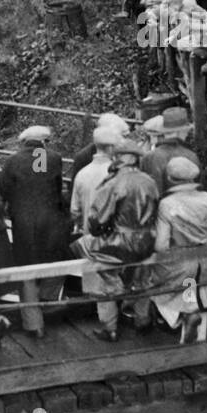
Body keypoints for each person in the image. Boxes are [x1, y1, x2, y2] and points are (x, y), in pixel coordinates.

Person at [73, 138, 160, 342]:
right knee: (142, 277)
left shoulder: (113, 183)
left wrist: (99, 230)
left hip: (121, 241)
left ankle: (110, 324)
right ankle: (142, 320)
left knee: (85, 250)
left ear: (118, 158)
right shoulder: (149, 181)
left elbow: (97, 220)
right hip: (148, 239)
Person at [0, 125, 71, 339]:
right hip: (51, 220)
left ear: (23, 142)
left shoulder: (12, 161)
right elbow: (57, 188)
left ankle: (34, 324)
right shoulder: (55, 158)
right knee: (54, 261)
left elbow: (3, 190)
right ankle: (48, 299)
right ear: (44, 142)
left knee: (26, 271)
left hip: (23, 223)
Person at [150, 157, 207, 343]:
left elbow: (161, 245)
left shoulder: (167, 204)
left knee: (155, 287)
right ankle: (195, 325)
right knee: (195, 292)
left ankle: (186, 316)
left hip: (181, 266)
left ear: (170, 178)